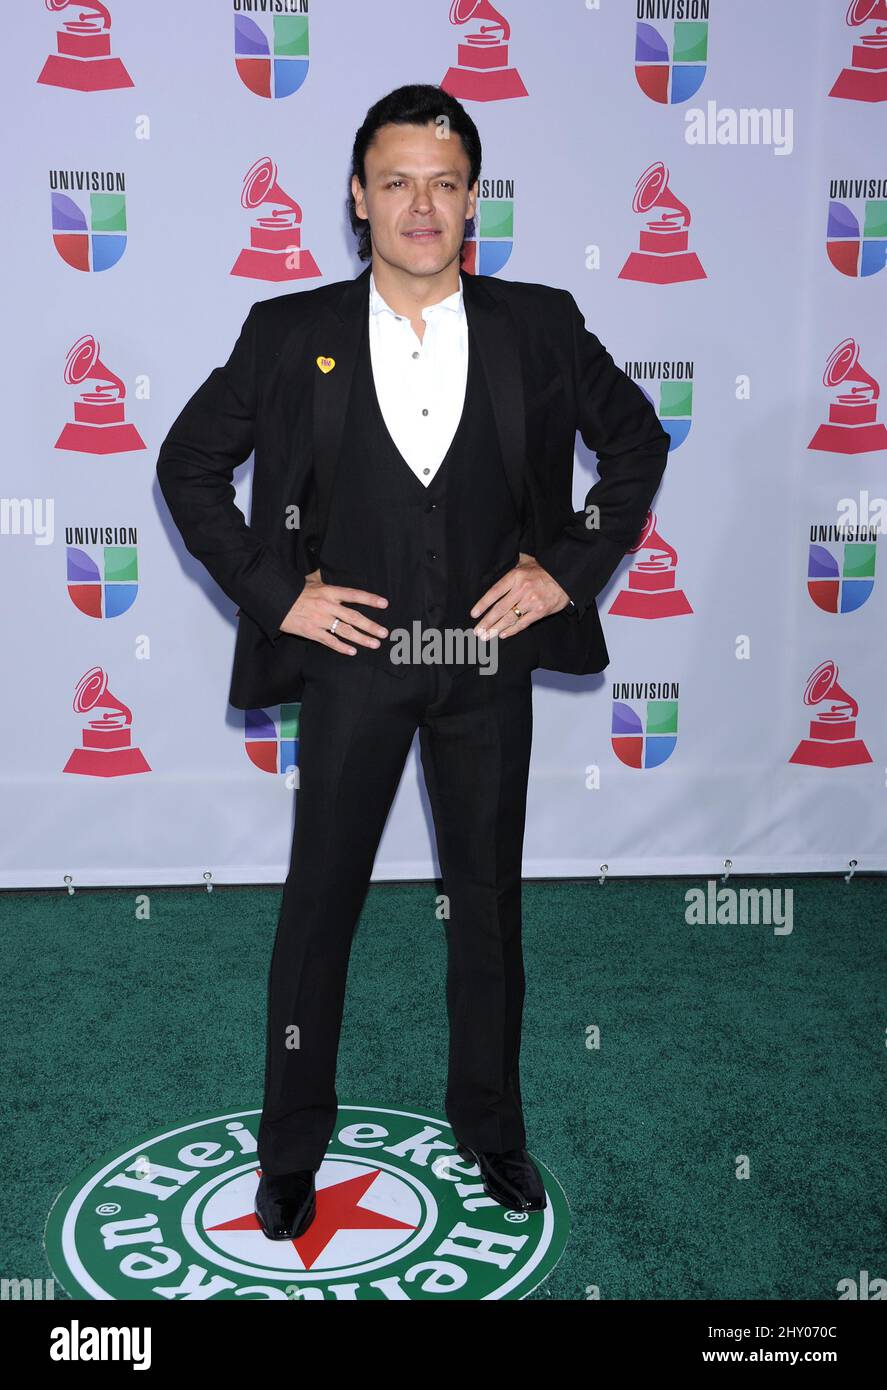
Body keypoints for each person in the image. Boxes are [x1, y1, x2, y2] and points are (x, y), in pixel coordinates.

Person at [156, 83, 670, 1241]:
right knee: (317, 908)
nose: (419, 204)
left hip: (483, 664)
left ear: (472, 200)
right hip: (354, 669)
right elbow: (189, 464)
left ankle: (491, 1128)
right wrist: (279, 594)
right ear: (357, 197)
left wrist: (566, 566)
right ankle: (289, 1147)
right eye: (395, 181)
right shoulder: (289, 334)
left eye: (443, 182)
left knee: (485, 909)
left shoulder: (539, 323)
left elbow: (634, 439)